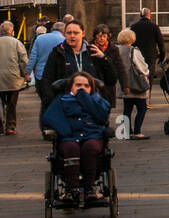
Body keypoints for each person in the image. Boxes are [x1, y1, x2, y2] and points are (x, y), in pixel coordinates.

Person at [42, 72, 111, 207]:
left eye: (86, 86)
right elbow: (50, 118)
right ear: (71, 87)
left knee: (90, 147)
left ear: (91, 88)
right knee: (71, 148)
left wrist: (85, 98)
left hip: (92, 135)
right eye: (78, 85)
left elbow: (102, 117)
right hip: (69, 136)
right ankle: (71, 188)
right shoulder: (62, 100)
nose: (82, 88)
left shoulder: (97, 100)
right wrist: (66, 130)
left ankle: (90, 188)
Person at [41, 19, 118, 110]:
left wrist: (104, 59)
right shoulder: (57, 52)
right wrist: (52, 102)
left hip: (91, 105)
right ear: (64, 34)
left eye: (76, 33)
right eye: (69, 33)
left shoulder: (93, 52)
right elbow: (47, 79)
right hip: (66, 105)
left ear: (83, 33)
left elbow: (111, 80)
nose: (72, 36)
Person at [115, 28, 151, 139]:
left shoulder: (117, 50)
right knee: (142, 108)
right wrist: (147, 73)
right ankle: (137, 132)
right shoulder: (133, 51)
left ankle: (127, 132)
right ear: (131, 38)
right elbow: (142, 67)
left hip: (124, 84)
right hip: (136, 84)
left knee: (127, 109)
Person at [0, 20, 28, 135]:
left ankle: (0, 126)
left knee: (0, 103)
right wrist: (25, 74)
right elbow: (23, 60)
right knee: (11, 104)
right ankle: (10, 127)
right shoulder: (17, 43)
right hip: (13, 79)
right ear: (12, 31)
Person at [131, 9, 165, 101]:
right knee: (149, 76)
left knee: (138, 75)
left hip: (137, 55)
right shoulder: (154, 26)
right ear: (149, 15)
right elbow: (160, 42)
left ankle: (137, 97)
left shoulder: (133, 26)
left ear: (140, 15)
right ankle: (147, 99)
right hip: (151, 56)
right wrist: (162, 56)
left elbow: (131, 42)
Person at [26, 20, 65, 99]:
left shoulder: (40, 38)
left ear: (52, 29)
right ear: (63, 31)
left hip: (41, 74)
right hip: (58, 74)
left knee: (45, 99)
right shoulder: (64, 40)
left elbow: (33, 57)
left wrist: (28, 73)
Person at [91, 25, 122, 109]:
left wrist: (124, 84)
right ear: (95, 37)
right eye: (99, 36)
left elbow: (119, 66)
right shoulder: (90, 48)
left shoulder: (113, 49)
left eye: (104, 36)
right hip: (95, 83)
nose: (102, 38)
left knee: (107, 108)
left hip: (109, 83)